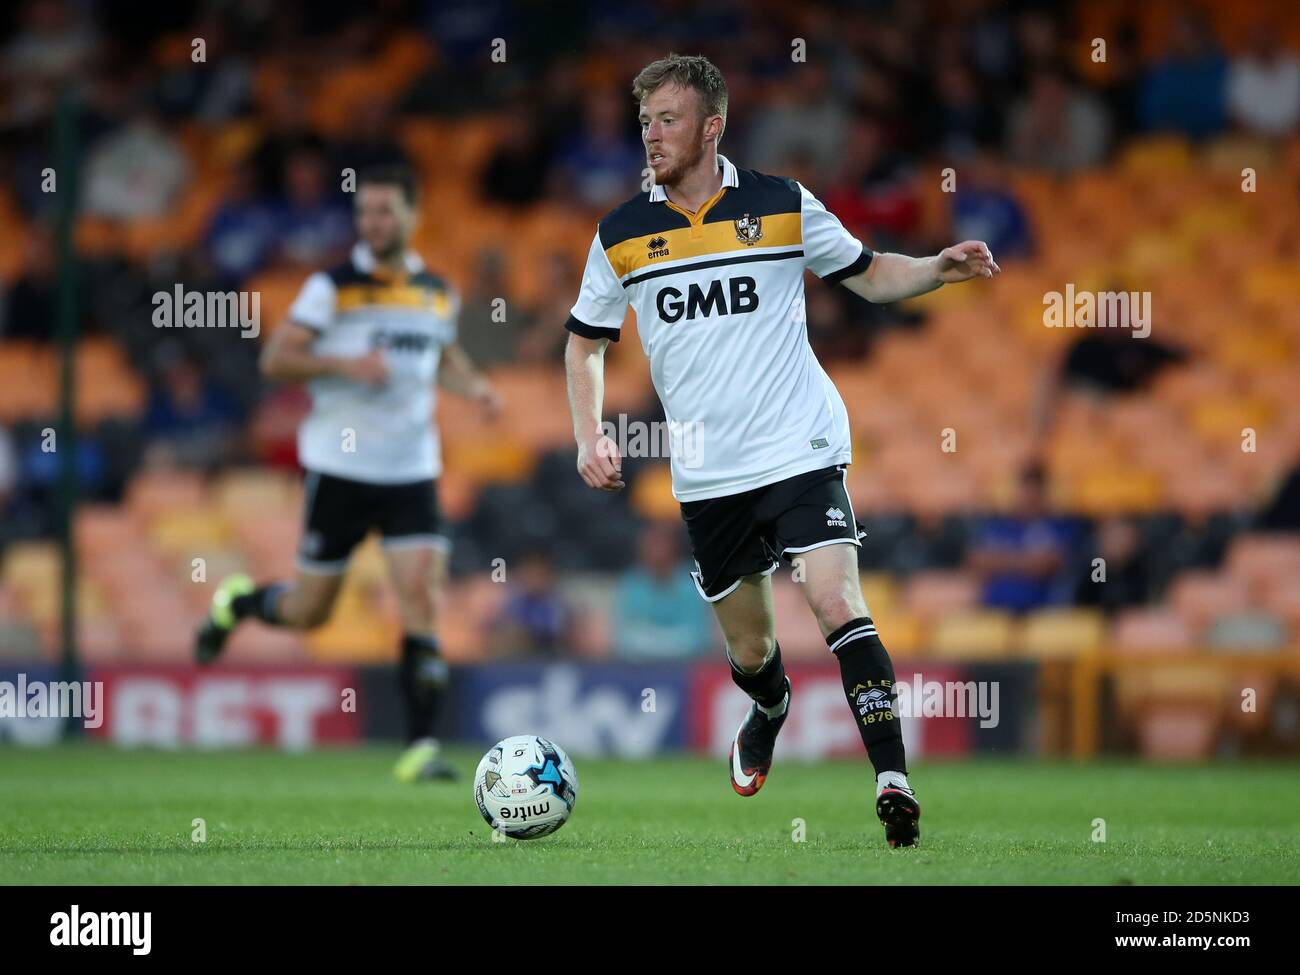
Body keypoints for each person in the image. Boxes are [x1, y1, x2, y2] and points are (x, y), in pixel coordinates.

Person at [562, 54, 999, 848]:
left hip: (799, 444)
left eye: (667, 119)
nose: (651, 134)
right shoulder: (621, 231)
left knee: (837, 602)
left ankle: (892, 781)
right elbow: (586, 341)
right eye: (645, 121)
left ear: (711, 126)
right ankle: (770, 707)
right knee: (753, 646)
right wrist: (589, 432)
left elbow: (868, 274)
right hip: (707, 472)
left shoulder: (782, 204)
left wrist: (935, 268)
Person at [194, 164, 499, 783]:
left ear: (412, 216)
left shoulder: (438, 291)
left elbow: (441, 355)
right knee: (311, 612)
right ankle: (240, 602)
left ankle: (418, 749)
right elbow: (275, 358)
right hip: (341, 467)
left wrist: (476, 388)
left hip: (412, 470)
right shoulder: (331, 287)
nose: (374, 223)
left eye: (385, 212)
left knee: (421, 596)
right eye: (365, 213)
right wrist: (343, 365)